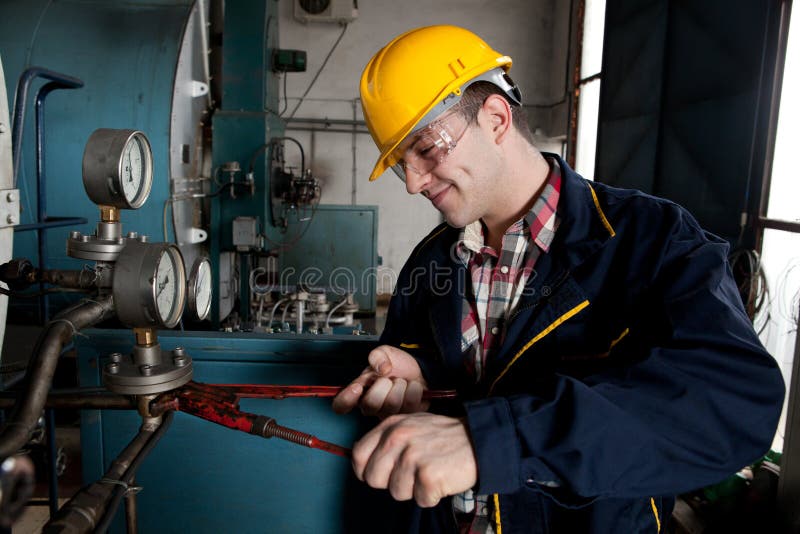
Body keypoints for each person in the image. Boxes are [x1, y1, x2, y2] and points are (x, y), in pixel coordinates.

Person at [332, 25, 785, 533]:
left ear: (497, 118)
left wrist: (496, 441)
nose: (414, 182)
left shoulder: (651, 241)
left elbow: (731, 404)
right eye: (401, 165)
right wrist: (418, 376)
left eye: (426, 149)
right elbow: (450, 402)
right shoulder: (431, 263)